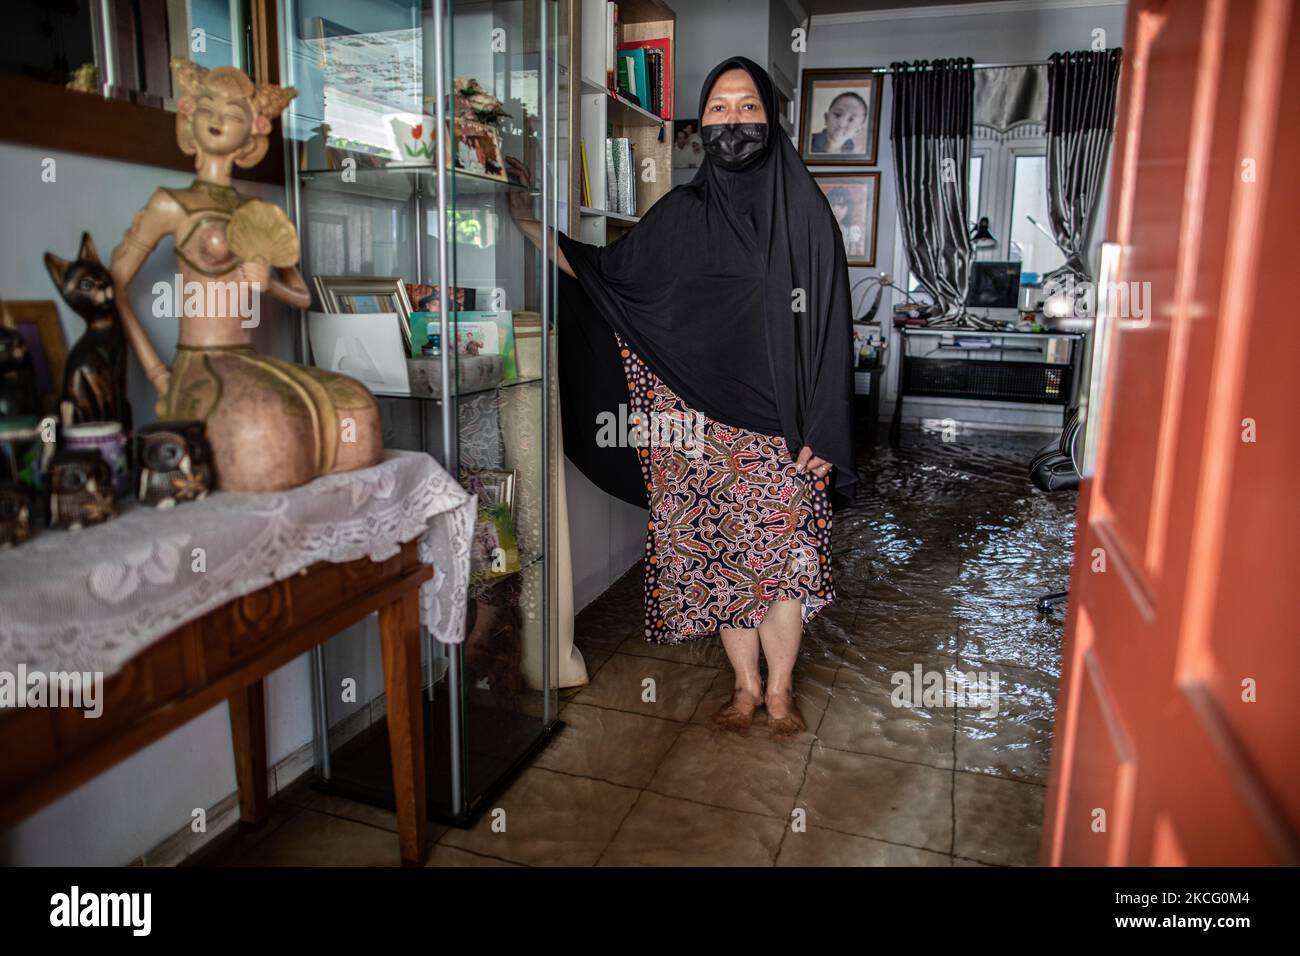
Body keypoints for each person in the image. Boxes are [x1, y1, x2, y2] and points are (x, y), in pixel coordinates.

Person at [507, 56, 856, 740]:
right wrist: (524, 218)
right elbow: (606, 276)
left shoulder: (806, 215)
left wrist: (827, 429)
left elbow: (832, 326)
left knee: (783, 572)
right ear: (704, 120)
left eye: (746, 106)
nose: (733, 120)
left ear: (770, 116)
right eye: (719, 108)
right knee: (721, 564)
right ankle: (745, 688)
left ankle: (781, 691)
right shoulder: (680, 216)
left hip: (783, 434)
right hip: (696, 437)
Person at [809, 90, 868, 155]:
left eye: (851, 119)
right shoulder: (807, 143)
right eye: (837, 115)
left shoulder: (856, 156)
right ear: (826, 118)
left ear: (858, 131)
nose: (842, 123)